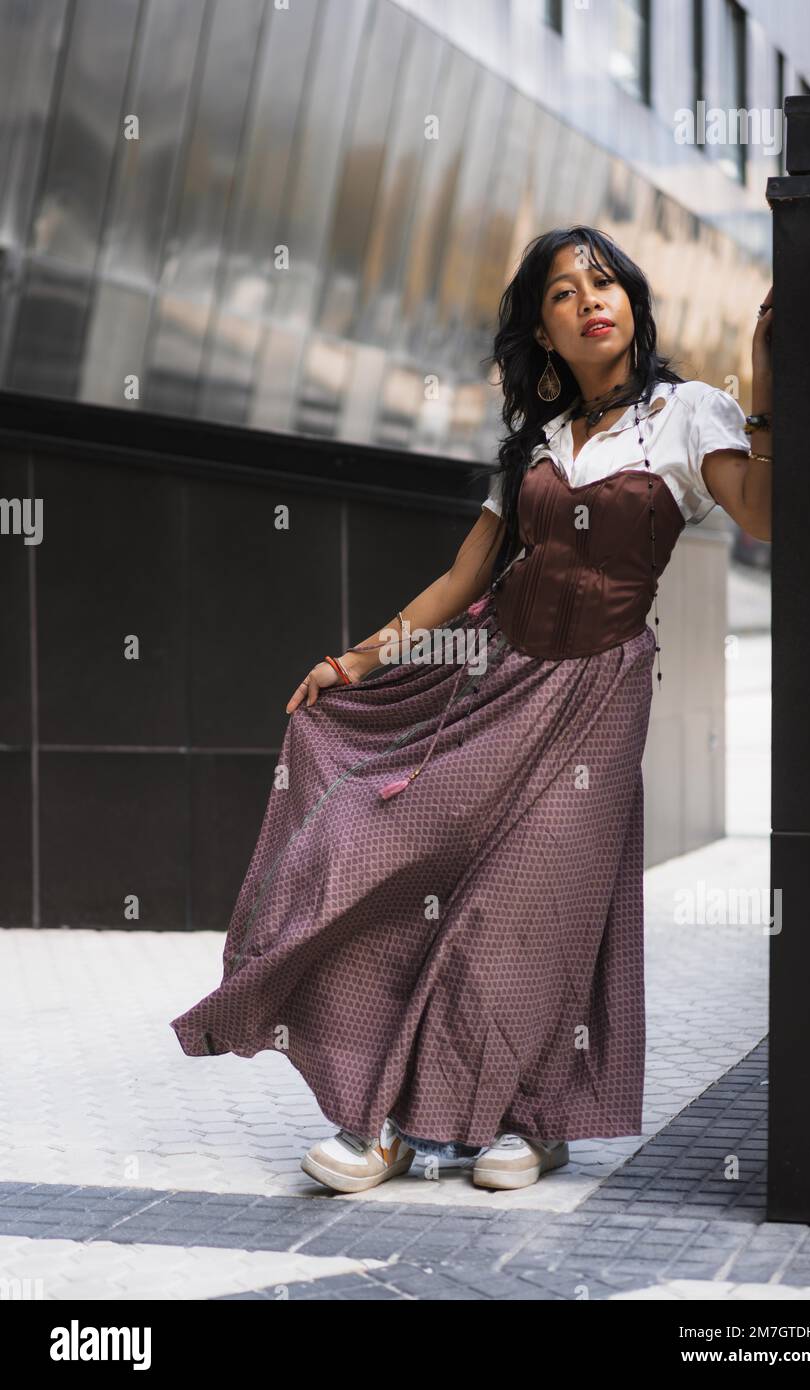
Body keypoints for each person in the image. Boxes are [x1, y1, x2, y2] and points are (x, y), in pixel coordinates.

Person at [170, 226, 773, 1195]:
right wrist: (353, 659)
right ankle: (382, 1121)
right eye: (565, 291)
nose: (591, 298)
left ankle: (510, 1122)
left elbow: (763, 515)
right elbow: (463, 576)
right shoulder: (531, 444)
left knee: (516, 908)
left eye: (604, 279)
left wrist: (761, 376)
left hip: (599, 698)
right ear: (540, 329)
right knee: (373, 854)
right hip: (494, 683)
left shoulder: (685, 413)